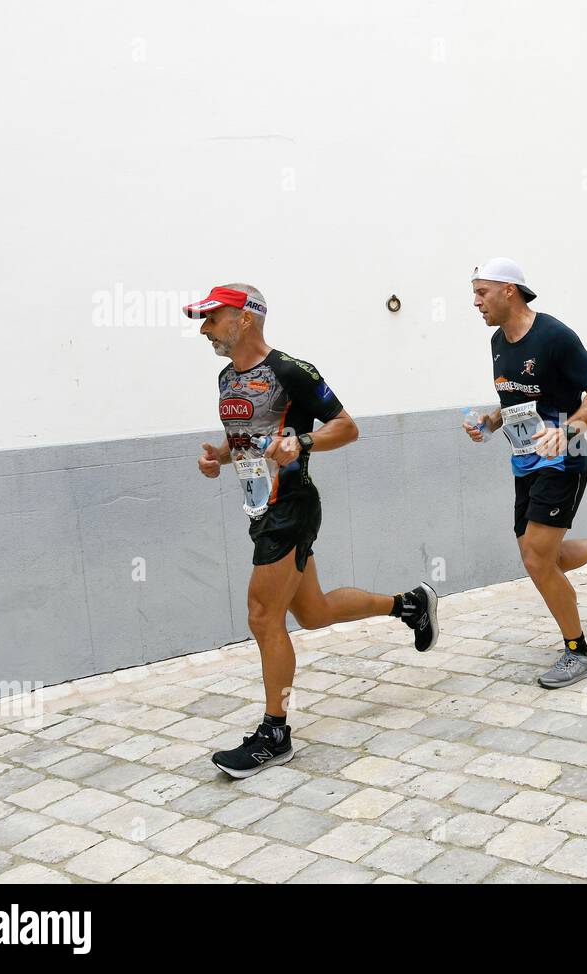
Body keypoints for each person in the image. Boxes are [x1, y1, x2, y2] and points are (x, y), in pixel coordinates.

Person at [188, 283, 437, 778]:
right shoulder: (225, 377)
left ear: (245, 319)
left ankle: (274, 734)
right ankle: (409, 604)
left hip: (293, 506)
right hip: (261, 509)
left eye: (212, 318)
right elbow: (246, 436)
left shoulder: (291, 371)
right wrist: (220, 455)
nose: (204, 329)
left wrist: (301, 442)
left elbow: (346, 427)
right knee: (315, 611)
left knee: (263, 616)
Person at [464, 258, 587, 690]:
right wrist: (489, 423)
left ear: (509, 291)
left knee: (535, 559)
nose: (475, 302)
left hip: (564, 458)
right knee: (545, 559)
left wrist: (569, 429)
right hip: (525, 463)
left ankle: (578, 651)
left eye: (482, 292)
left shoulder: (554, 336)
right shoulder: (499, 341)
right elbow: (516, 401)